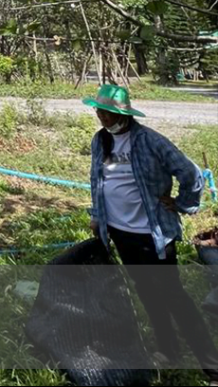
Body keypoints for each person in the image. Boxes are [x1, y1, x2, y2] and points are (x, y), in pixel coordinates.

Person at [85, 82, 218, 383]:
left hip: (153, 234)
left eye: (107, 112)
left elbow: (190, 173)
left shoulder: (149, 141)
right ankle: (169, 350)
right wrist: (97, 216)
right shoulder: (100, 141)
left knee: (175, 298)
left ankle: (212, 367)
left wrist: (183, 203)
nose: (101, 117)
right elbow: (97, 180)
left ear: (124, 113)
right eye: (99, 110)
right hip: (120, 232)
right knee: (146, 293)